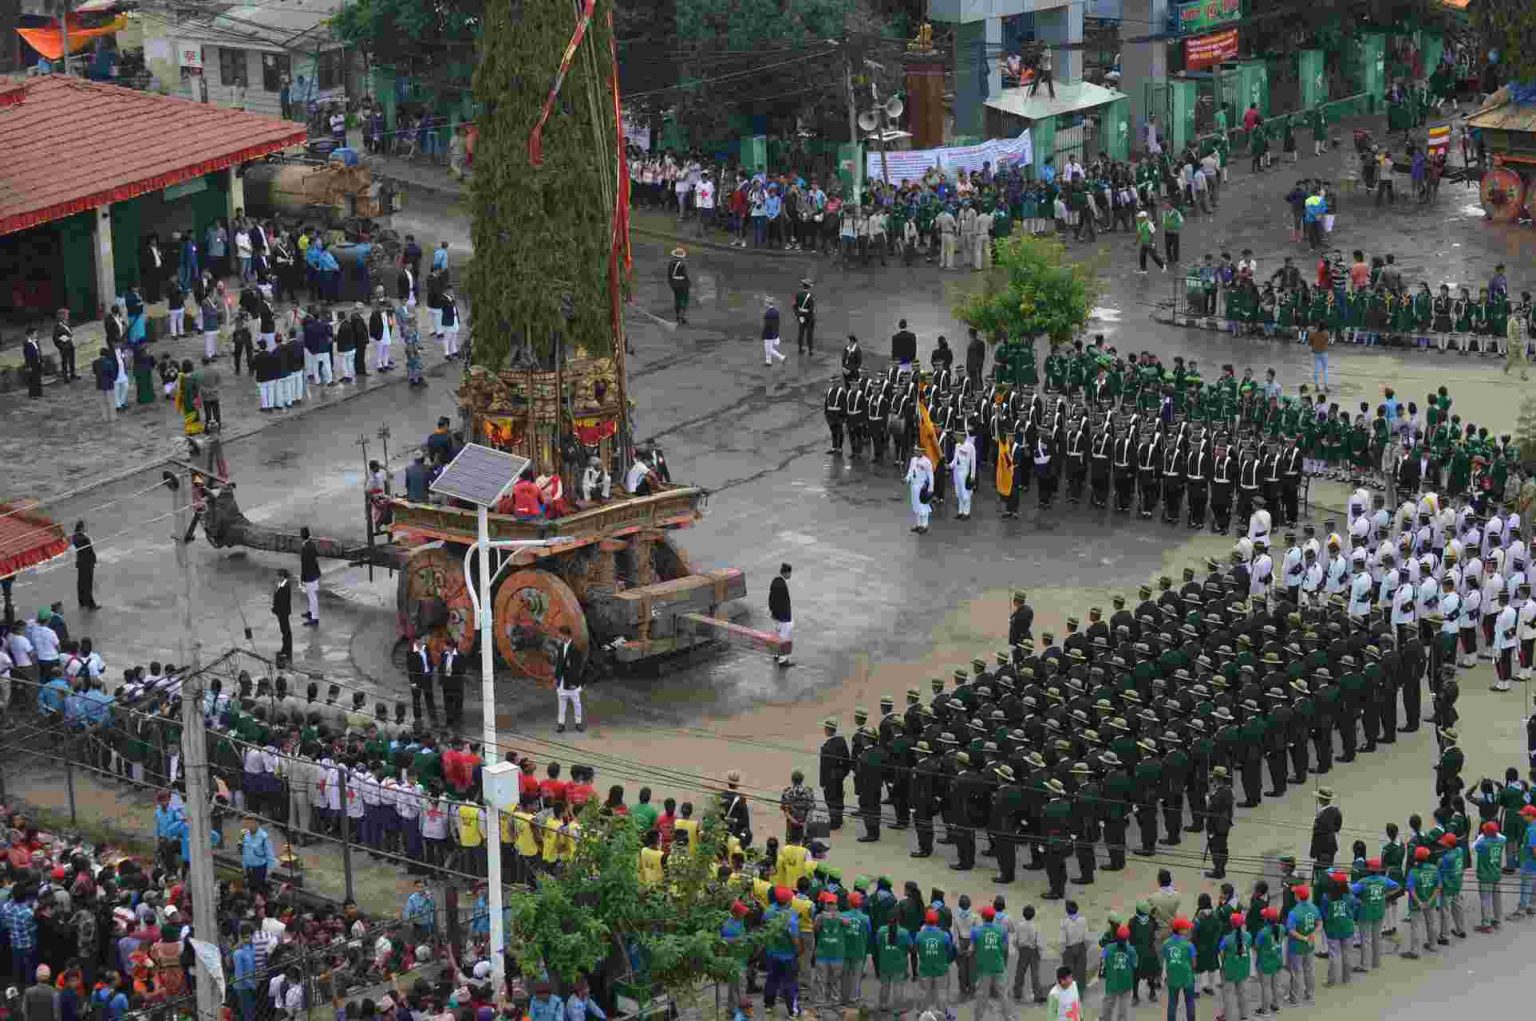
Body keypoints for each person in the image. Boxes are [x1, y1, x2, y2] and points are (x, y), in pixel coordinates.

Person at [553, 624, 582, 733]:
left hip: (572, 680)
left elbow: (578, 667)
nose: (559, 636)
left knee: (576, 703)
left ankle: (578, 722)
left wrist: (575, 682)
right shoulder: (560, 647)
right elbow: (559, 664)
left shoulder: (575, 648)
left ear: (566, 635)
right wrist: (556, 677)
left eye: (560, 634)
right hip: (562, 680)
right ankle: (561, 723)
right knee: (562, 703)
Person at [240, 816, 275, 891]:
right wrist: (244, 868)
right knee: (250, 892)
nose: (248, 826)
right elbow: (245, 852)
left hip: (260, 869)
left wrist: (268, 873)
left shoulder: (264, 837)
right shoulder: (246, 835)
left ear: (256, 823)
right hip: (249, 869)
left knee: (259, 894)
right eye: (247, 823)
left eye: (250, 823)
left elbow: (270, 856)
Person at [768, 563, 793, 667]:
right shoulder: (782, 585)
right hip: (783, 615)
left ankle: (776, 653)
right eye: (790, 573)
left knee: (778, 633)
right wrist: (783, 616)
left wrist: (773, 613)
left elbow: (771, 599)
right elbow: (781, 602)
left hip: (777, 615)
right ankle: (783, 660)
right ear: (786, 573)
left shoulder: (775, 581)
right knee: (784, 635)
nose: (791, 575)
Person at [72, 520, 97, 610]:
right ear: (81, 527)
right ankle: (91, 604)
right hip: (87, 563)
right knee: (87, 584)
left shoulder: (74, 537)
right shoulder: (84, 538)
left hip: (80, 562)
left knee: (81, 583)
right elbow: (89, 551)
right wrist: (94, 560)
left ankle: (82, 602)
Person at [299, 527, 321, 627]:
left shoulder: (306, 547)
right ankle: (311, 612)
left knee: (312, 597)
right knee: (311, 595)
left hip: (309, 575)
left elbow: (305, 565)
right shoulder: (311, 544)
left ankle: (314, 618)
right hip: (314, 574)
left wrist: (302, 578)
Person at [272, 568, 293, 665]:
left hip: (283, 612)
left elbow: (282, 601)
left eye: (278, 576)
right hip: (280, 611)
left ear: (282, 576)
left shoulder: (285, 586)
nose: (276, 577)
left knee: (285, 631)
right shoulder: (281, 585)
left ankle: (287, 650)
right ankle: (284, 648)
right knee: (284, 630)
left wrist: (277, 609)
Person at [667, 247, 690, 324]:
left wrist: (671, 283)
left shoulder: (671, 263)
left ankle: (678, 315)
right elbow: (685, 274)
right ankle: (682, 316)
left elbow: (669, 275)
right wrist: (688, 283)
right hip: (683, 283)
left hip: (674, 283)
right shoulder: (683, 264)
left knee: (677, 299)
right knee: (684, 299)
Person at [763, 297, 786, 367]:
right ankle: (768, 362)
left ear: (768, 303)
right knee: (768, 348)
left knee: (769, 349)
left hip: (769, 333)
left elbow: (767, 325)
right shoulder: (776, 311)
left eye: (765, 302)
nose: (764, 304)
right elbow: (777, 323)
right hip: (774, 333)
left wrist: (765, 334)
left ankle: (781, 357)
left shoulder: (768, 313)